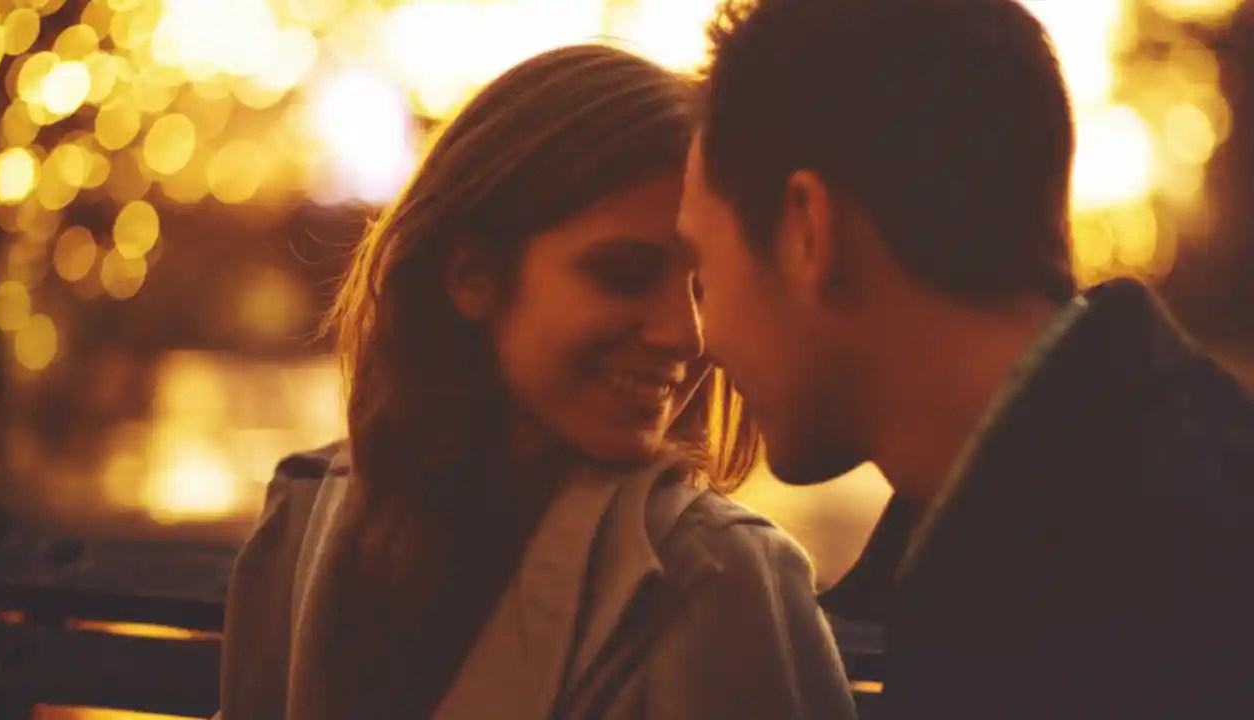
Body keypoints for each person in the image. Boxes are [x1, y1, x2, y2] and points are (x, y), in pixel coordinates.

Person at [216, 45, 856, 720]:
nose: (684, 335)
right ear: (473, 276)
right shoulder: (300, 522)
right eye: (625, 274)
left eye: (701, 286)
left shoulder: (722, 577)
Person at [679, 0, 1254, 717]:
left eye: (702, 274)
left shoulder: (1152, 595)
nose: (700, 340)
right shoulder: (1077, 525)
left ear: (806, 232)